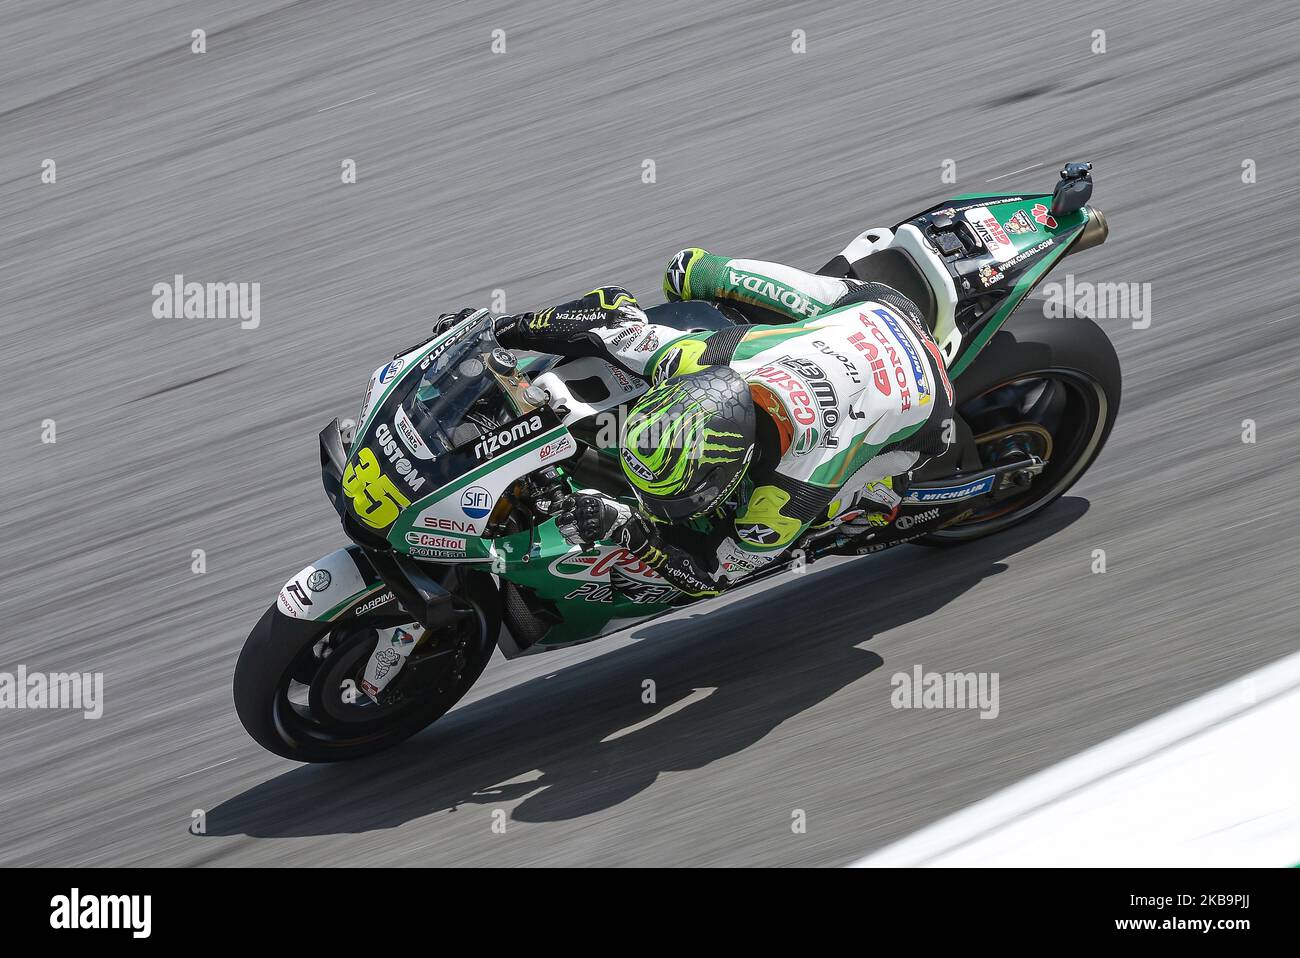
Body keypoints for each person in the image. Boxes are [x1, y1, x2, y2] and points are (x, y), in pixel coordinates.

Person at [444, 247, 954, 597]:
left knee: (856, 510)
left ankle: (879, 497)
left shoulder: (791, 488)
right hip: (867, 313)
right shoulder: (698, 357)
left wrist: (632, 531)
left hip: (928, 399)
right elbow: (611, 317)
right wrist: (496, 331)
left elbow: (713, 575)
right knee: (691, 270)